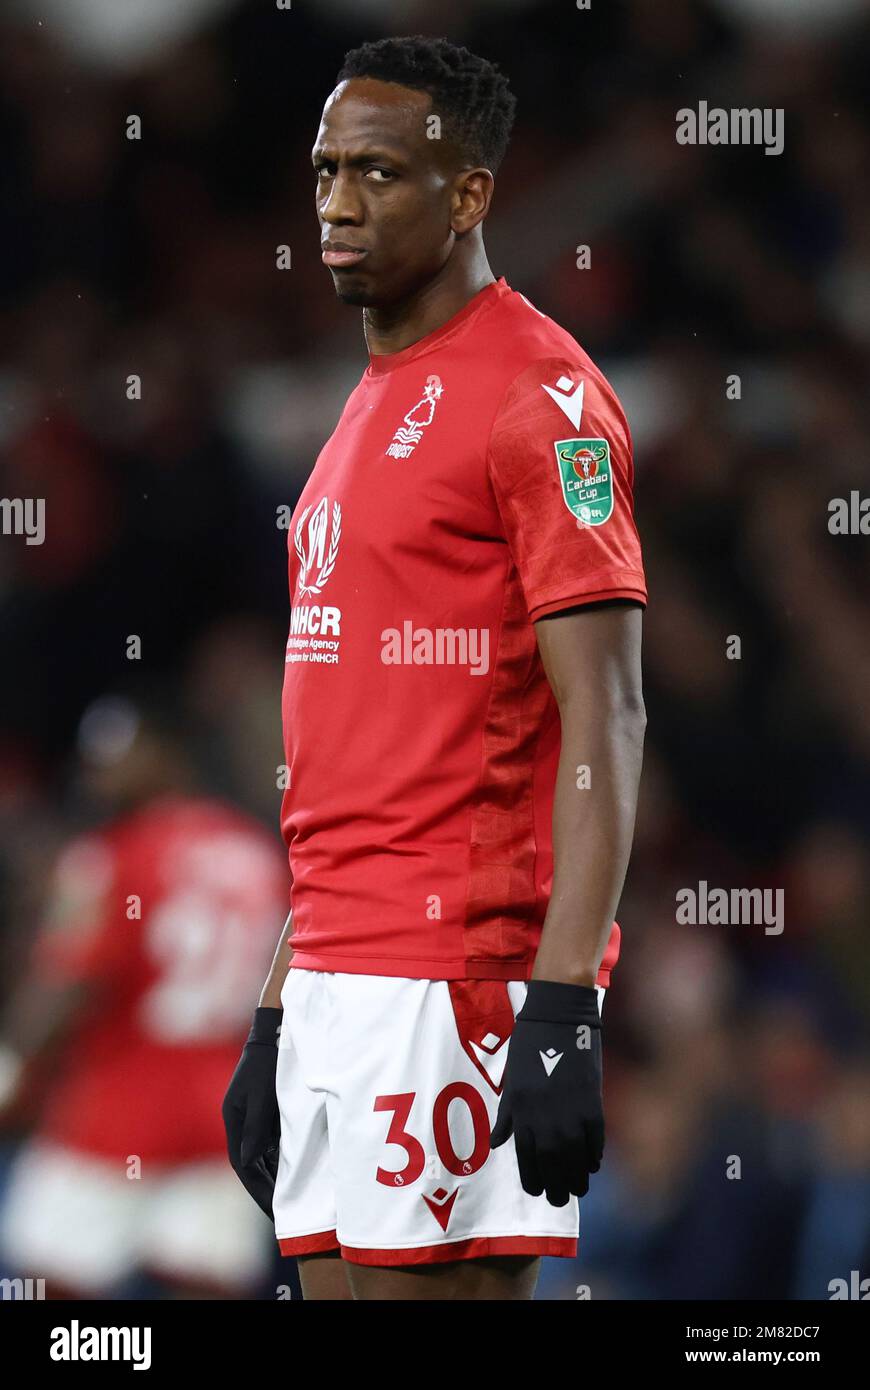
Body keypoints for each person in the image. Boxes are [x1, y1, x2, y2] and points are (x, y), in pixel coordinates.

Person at [223, 34, 647, 1302]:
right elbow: (353, 749)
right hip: (338, 980)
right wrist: (277, 1003)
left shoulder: (541, 397)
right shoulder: (358, 408)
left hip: (456, 977)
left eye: (378, 173)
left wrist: (563, 1000)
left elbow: (607, 712)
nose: (338, 205)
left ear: (469, 194)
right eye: (322, 173)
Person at [0, 689, 288, 1297]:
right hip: (224, 1116)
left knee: (47, 1293)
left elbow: (68, 985)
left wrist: (15, 1069)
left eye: (118, 756)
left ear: (168, 753)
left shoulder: (111, 857)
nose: (99, 774)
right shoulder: (256, 851)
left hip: (110, 1117)